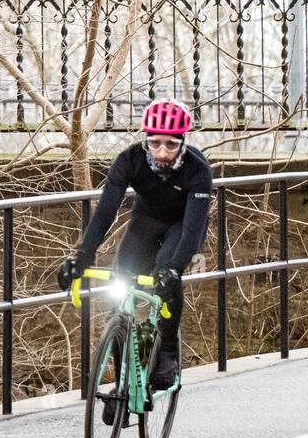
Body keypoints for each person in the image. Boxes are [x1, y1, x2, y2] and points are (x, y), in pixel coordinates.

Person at [55, 98, 212, 392]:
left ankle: (166, 353)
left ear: (183, 142)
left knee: (167, 269)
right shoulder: (130, 160)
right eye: (154, 143)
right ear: (145, 140)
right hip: (146, 222)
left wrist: (176, 269)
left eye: (170, 145)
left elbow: (192, 229)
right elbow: (105, 212)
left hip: (181, 225)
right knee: (120, 288)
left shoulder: (197, 169)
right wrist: (82, 256)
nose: (162, 152)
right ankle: (122, 384)